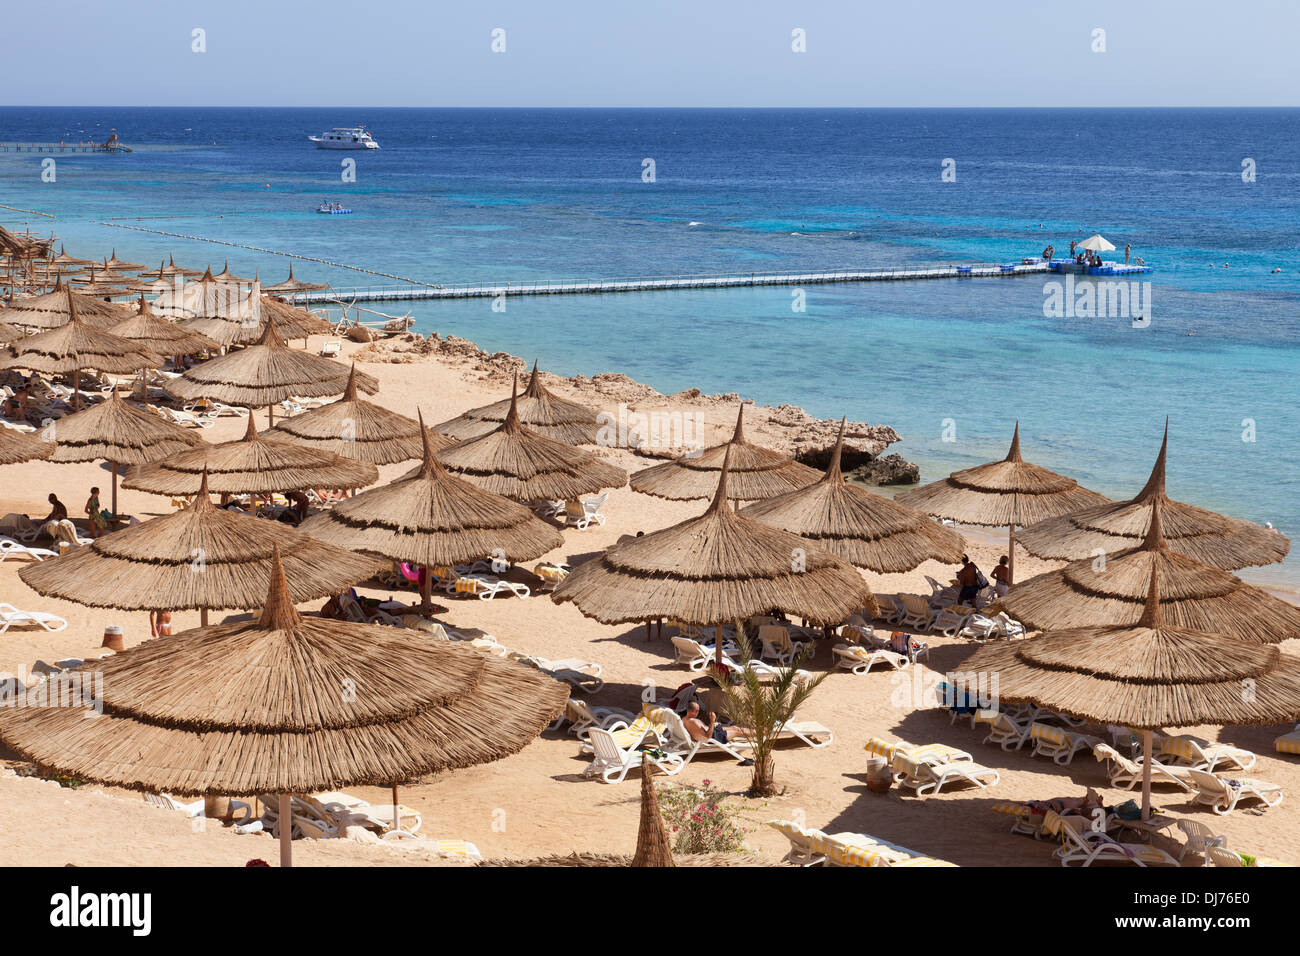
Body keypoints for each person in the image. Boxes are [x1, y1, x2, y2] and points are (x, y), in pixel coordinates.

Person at [683, 701, 753, 745]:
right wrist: (712, 720)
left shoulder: (684, 719)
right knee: (738, 731)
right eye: (698, 711)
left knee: (735, 728)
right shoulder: (694, 722)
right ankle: (759, 733)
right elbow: (708, 736)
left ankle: (758, 732)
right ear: (693, 712)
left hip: (713, 732)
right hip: (714, 738)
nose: (698, 712)